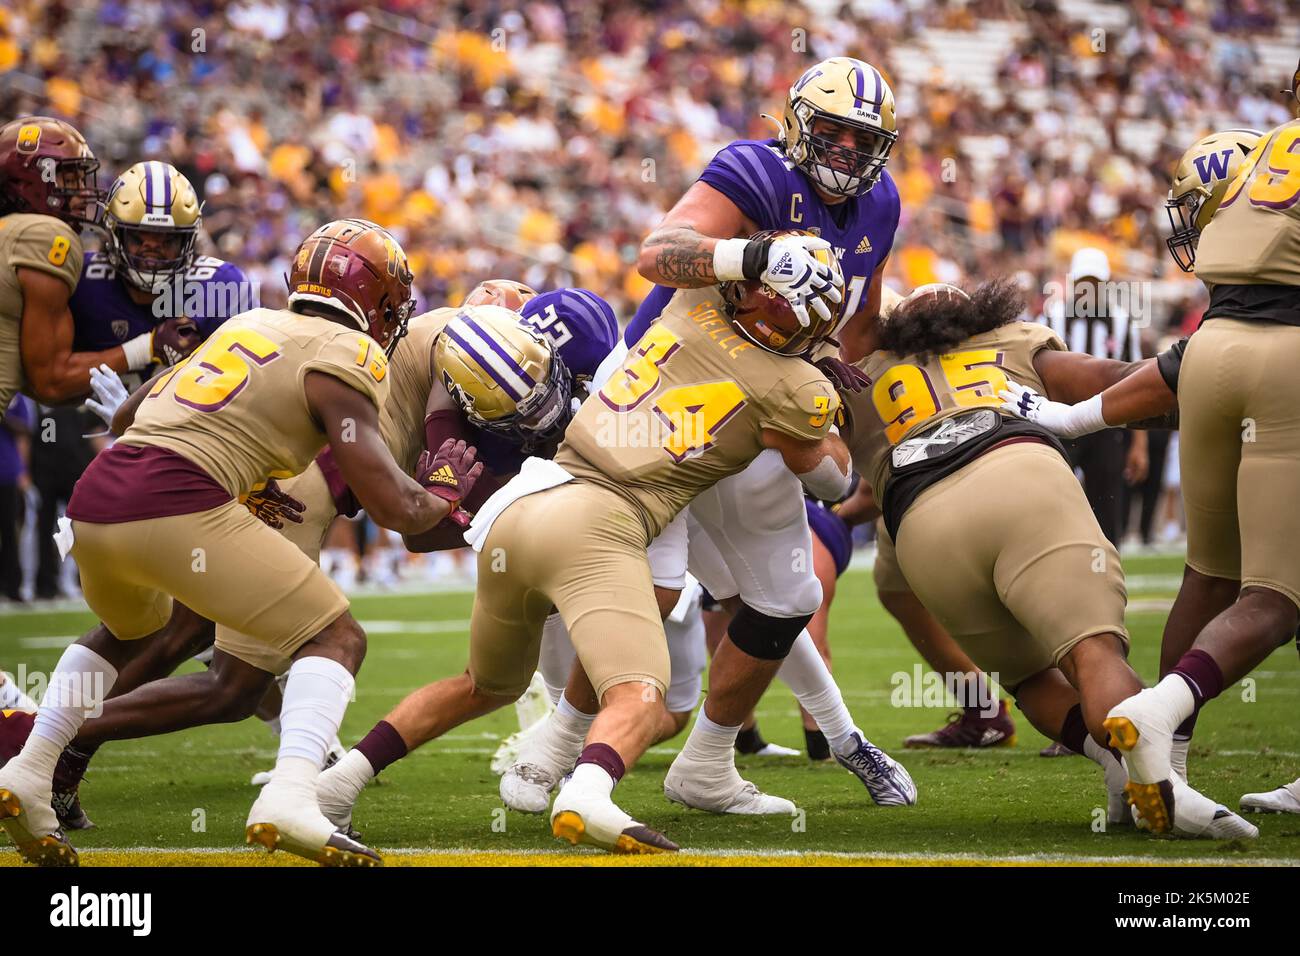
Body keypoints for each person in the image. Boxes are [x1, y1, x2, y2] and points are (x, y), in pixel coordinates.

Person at [0, 218, 481, 867]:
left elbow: (123, 420)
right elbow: (392, 507)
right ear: (379, 299)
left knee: (132, 634)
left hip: (98, 498)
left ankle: (29, 770)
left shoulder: (247, 324)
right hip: (172, 497)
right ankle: (290, 796)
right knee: (336, 637)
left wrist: (241, 468)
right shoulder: (351, 353)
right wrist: (447, 493)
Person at [846, 280, 1255, 838]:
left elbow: (812, 457)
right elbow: (1114, 381)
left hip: (921, 525)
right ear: (978, 317)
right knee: (1091, 654)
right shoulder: (1008, 341)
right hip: (1019, 472)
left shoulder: (860, 375)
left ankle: (1117, 769)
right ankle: (1163, 786)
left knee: (1032, 678)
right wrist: (1228, 396)